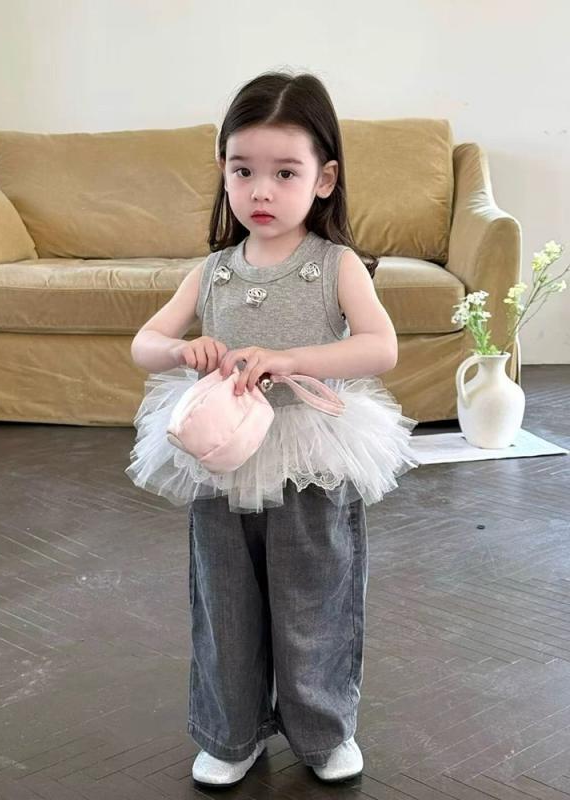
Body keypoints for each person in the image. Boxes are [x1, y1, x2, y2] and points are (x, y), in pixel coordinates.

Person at [125, 69, 420, 787]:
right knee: (224, 600)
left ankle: (323, 731)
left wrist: (290, 359)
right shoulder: (213, 271)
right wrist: (182, 351)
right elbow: (145, 343)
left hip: (310, 451)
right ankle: (230, 734)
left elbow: (379, 347)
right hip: (223, 452)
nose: (261, 190)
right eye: (242, 170)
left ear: (324, 179)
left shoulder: (335, 266)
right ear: (223, 171)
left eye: (285, 172)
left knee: (314, 595)